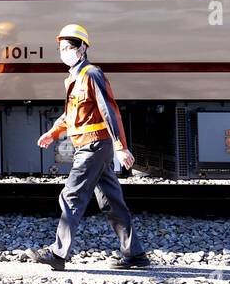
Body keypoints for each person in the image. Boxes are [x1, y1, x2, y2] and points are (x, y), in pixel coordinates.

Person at [33, 24, 149, 271]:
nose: (64, 52)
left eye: (70, 47)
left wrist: (121, 146)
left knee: (71, 195)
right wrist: (53, 133)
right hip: (92, 146)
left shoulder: (91, 74)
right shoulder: (74, 78)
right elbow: (71, 115)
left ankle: (58, 253)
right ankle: (134, 254)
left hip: (94, 146)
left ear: (83, 48)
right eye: (62, 48)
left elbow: (110, 111)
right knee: (111, 201)